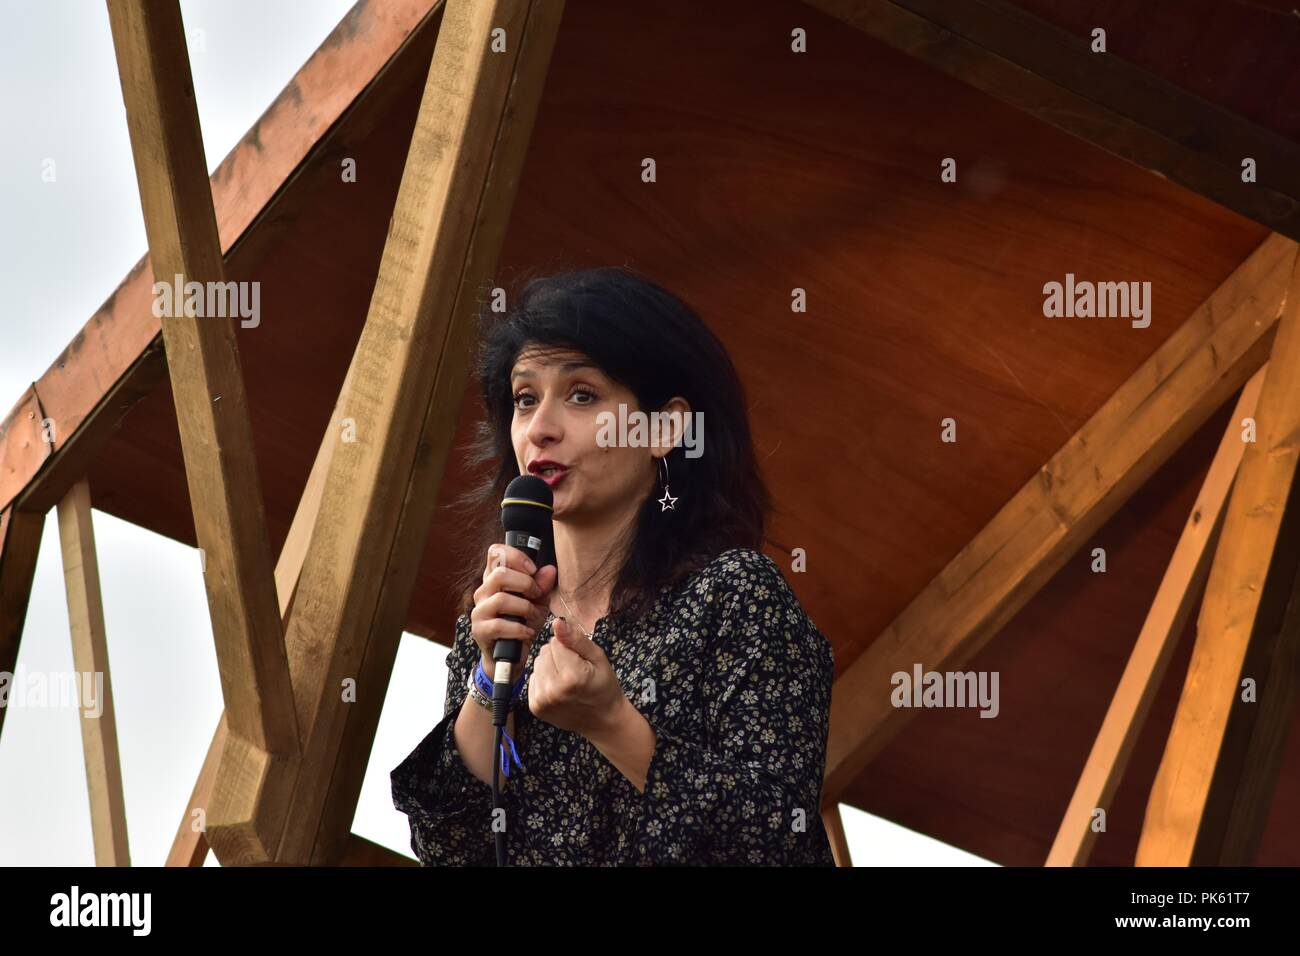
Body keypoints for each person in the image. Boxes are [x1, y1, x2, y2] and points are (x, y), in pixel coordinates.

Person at [390, 267, 836, 865]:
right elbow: (449, 847)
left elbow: (778, 838)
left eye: (581, 395)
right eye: (525, 399)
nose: (541, 428)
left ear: (664, 427)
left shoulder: (734, 597)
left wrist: (611, 722)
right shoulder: (500, 616)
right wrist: (484, 688)